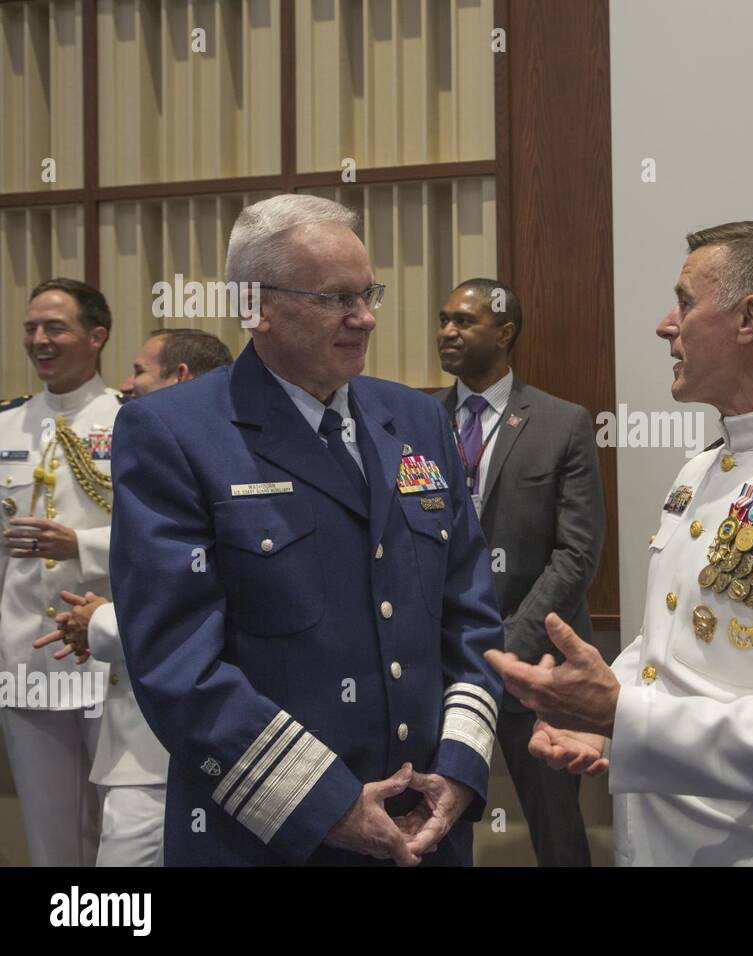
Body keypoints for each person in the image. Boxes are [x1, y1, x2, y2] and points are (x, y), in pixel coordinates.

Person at [488, 221, 753, 866]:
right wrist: (599, 710)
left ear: (749, 319)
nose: (666, 324)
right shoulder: (701, 471)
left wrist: (624, 714)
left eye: (685, 302)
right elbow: (675, 646)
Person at [109, 194, 504, 866]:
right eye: (336, 298)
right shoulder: (175, 434)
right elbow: (177, 663)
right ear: (253, 306)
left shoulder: (415, 420)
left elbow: (470, 614)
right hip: (271, 838)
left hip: (426, 828)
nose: (366, 317)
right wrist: (331, 807)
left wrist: (461, 771)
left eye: (369, 292)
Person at [34, 328, 234, 866]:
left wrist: (99, 625)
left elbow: (216, 609)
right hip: (157, 745)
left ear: (181, 377)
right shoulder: (192, 456)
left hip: (170, 748)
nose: (126, 385)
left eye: (140, 371)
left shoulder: (211, 467)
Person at [436, 278, 604, 866]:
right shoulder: (416, 420)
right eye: (443, 319)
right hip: (442, 659)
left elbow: (577, 553)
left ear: (505, 332)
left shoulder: (563, 422)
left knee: (556, 828)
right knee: (432, 816)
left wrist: (507, 646)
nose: (447, 332)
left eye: (464, 321)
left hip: (535, 660)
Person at [0, 278, 122, 866]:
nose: (39, 341)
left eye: (55, 328)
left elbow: (164, 537)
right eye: (30, 328)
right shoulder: (6, 426)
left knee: (124, 823)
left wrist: (85, 545)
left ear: (96, 337)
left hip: (109, 655)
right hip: (25, 658)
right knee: (50, 831)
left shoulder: (134, 421)